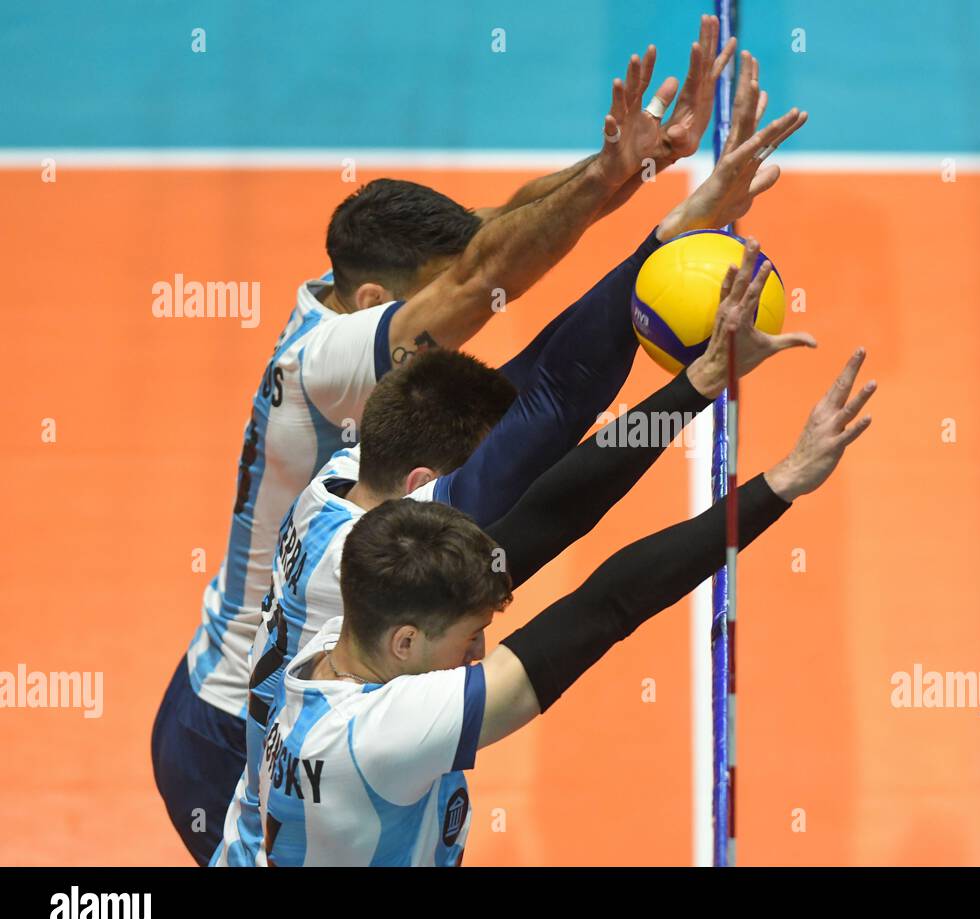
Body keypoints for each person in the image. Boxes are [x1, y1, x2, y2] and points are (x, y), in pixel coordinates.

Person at [153, 31, 804, 863]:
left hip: (232, 689)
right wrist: (690, 352)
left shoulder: (353, 468)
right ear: (376, 300)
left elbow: (503, 302)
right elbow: (541, 406)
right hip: (230, 739)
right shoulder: (328, 383)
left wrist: (659, 200)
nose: (472, 314)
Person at [212, 239, 815, 865]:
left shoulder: (350, 570)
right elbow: (600, 605)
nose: (480, 651)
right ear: (406, 641)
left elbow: (553, 501)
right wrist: (777, 483)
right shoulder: (385, 729)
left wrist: (696, 376)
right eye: (471, 635)